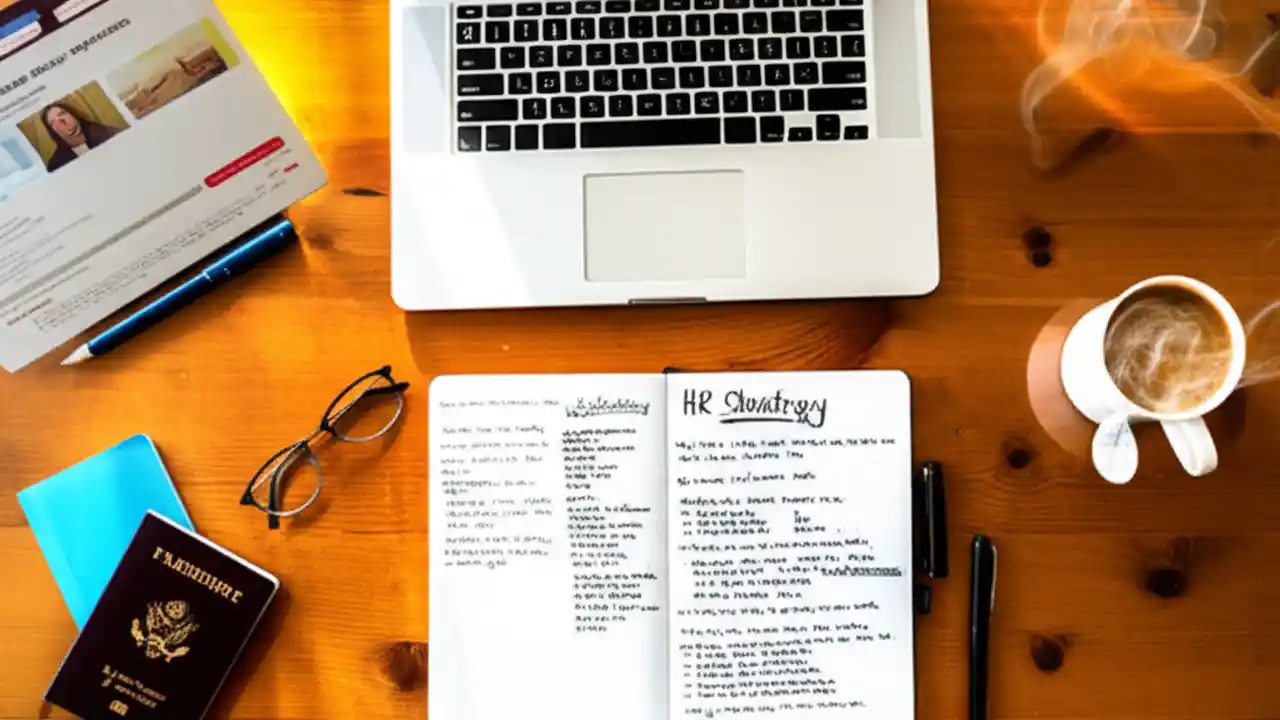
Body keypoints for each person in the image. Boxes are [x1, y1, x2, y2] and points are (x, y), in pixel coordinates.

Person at [38, 102, 121, 172]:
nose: (61, 121)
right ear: (53, 131)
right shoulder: (56, 164)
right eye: (53, 122)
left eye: (62, 113)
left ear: (73, 114)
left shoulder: (107, 133)